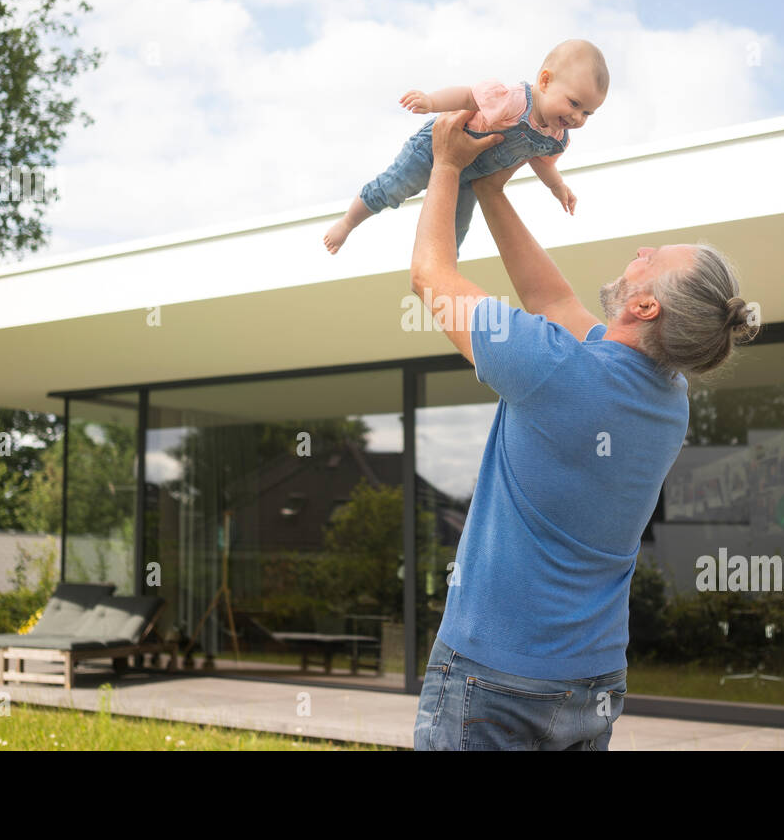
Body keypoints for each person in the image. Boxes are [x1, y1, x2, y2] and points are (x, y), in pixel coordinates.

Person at [409, 108, 758, 750]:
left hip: (495, 678)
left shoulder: (555, 369)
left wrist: (447, 166)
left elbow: (432, 278)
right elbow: (552, 303)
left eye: (652, 260)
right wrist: (491, 191)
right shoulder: (665, 397)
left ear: (644, 305)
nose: (640, 253)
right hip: (588, 681)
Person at [322, 39, 608, 255]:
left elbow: (543, 163)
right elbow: (468, 98)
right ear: (545, 81)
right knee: (394, 187)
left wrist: (557, 187)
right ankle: (348, 222)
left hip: (469, 176)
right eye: (573, 103)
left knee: (457, 228)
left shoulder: (557, 138)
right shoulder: (514, 100)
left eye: (587, 113)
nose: (576, 117)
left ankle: (441, 270)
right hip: (436, 148)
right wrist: (432, 102)